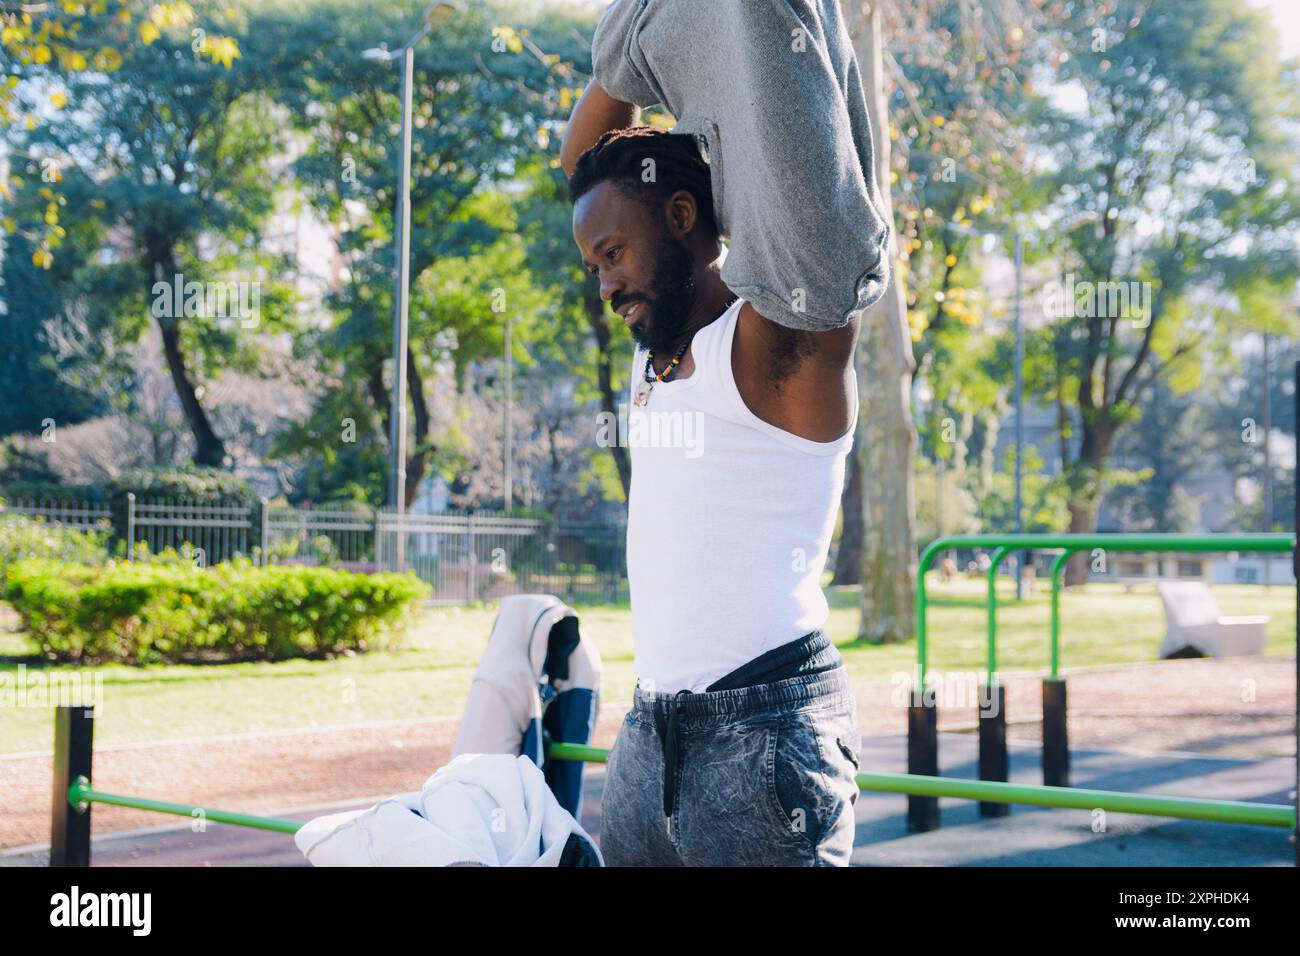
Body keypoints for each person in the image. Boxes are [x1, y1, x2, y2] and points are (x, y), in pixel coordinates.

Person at [558, 0, 891, 866]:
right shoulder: (655, 348)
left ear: (680, 218)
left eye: (615, 256)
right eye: (594, 265)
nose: (605, 284)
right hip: (648, 737)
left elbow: (812, 214)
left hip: (766, 737)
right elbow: (584, 167)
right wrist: (631, 44)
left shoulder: (776, 348)